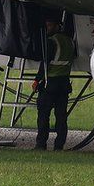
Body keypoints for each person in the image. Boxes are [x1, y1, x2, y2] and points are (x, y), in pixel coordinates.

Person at [33, 16, 75, 150]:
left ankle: (41, 144)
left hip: (50, 84)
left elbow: (45, 63)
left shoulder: (51, 41)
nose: (48, 28)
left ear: (57, 26)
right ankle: (59, 146)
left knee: (43, 115)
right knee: (61, 117)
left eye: (50, 25)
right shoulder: (70, 41)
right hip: (64, 84)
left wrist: (36, 80)